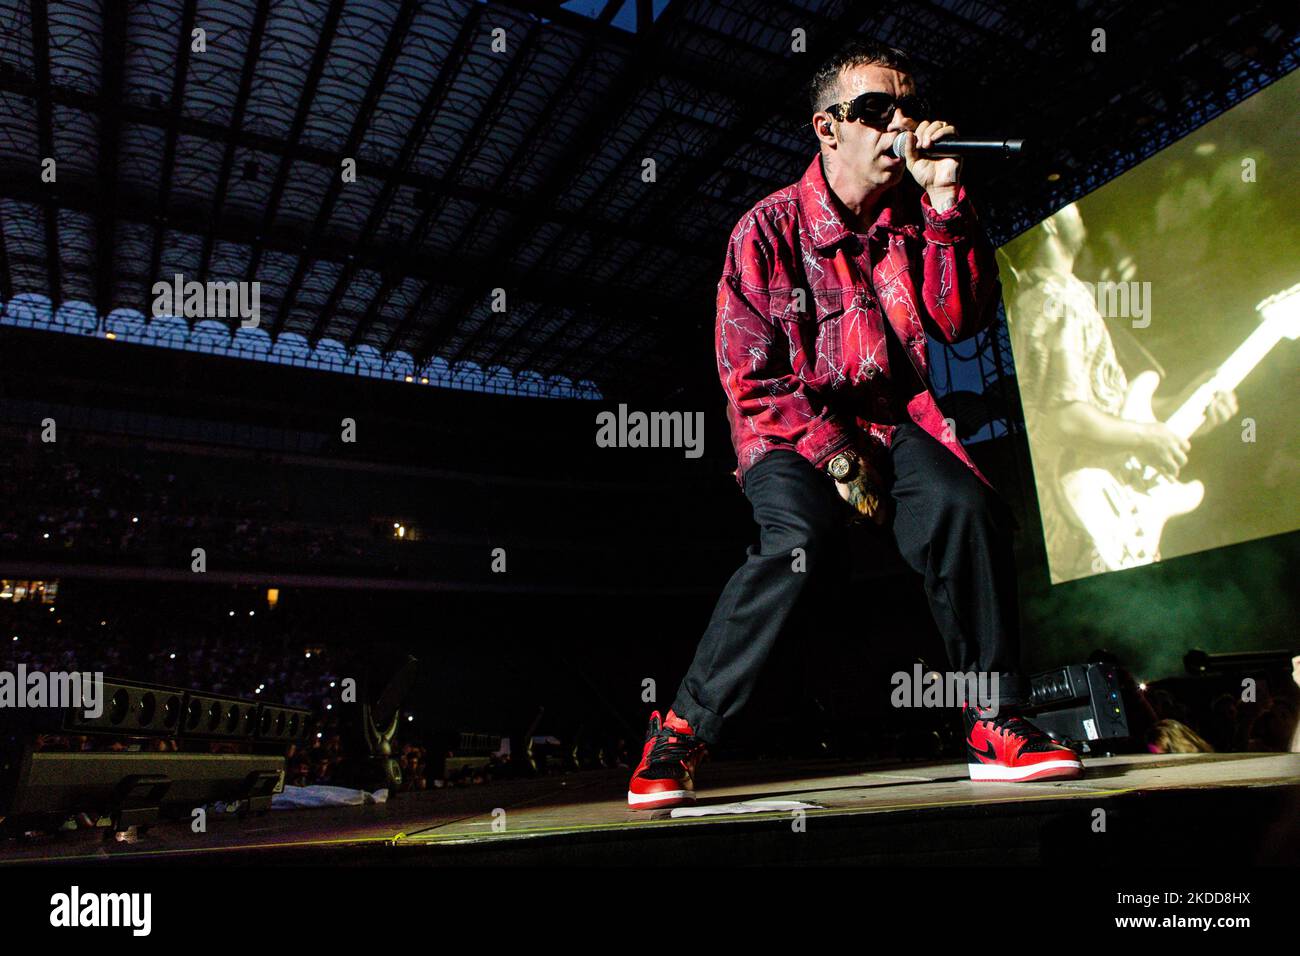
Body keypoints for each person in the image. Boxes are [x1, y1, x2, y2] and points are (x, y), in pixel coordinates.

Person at [628, 40, 1082, 810]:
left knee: (965, 508)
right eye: (875, 110)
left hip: (888, 423)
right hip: (787, 429)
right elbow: (750, 377)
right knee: (798, 541)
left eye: (908, 108)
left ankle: (993, 720)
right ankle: (681, 729)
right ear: (827, 128)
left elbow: (959, 321)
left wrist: (946, 202)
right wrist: (838, 461)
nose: (899, 125)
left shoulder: (912, 221)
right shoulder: (766, 229)